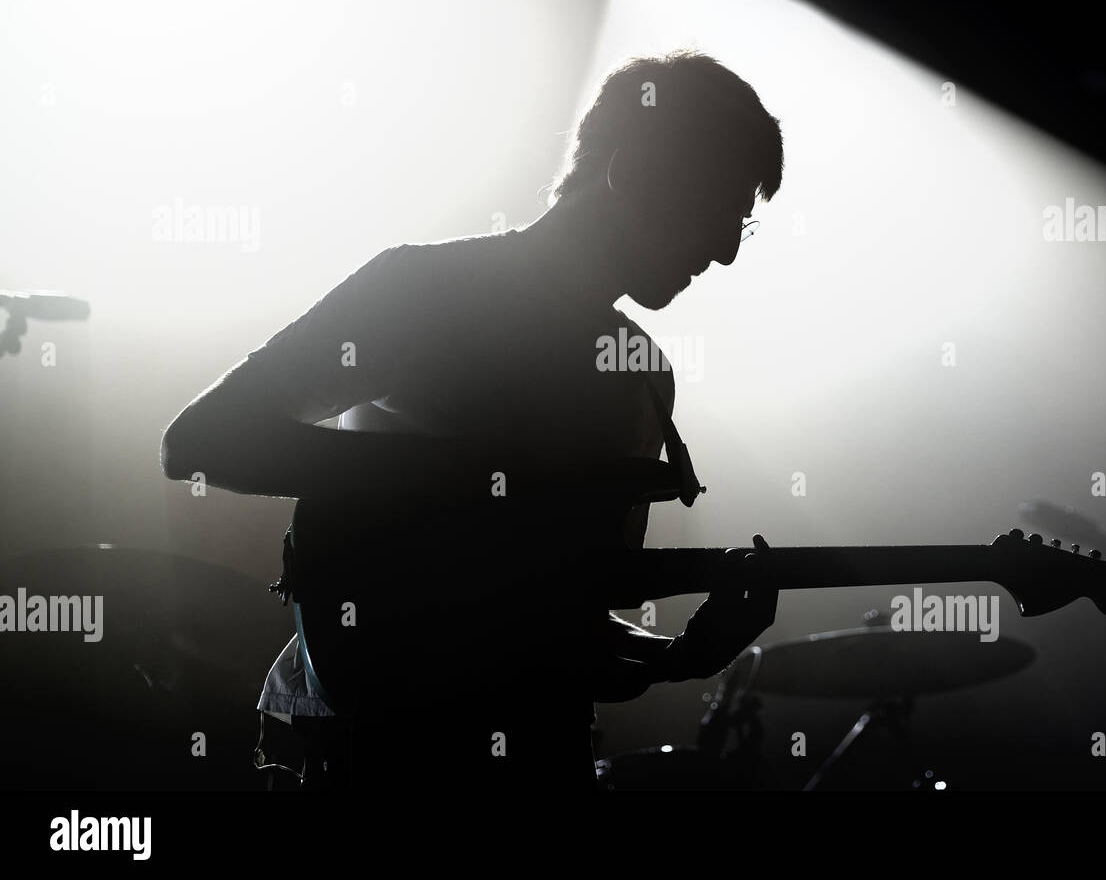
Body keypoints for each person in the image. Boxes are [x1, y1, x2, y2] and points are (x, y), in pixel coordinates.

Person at [160, 49, 784, 792]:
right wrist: (465, 476)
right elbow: (200, 440)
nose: (721, 254)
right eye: (718, 212)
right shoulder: (424, 290)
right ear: (636, 173)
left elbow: (570, 628)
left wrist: (678, 655)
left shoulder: (641, 375)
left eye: (738, 228)